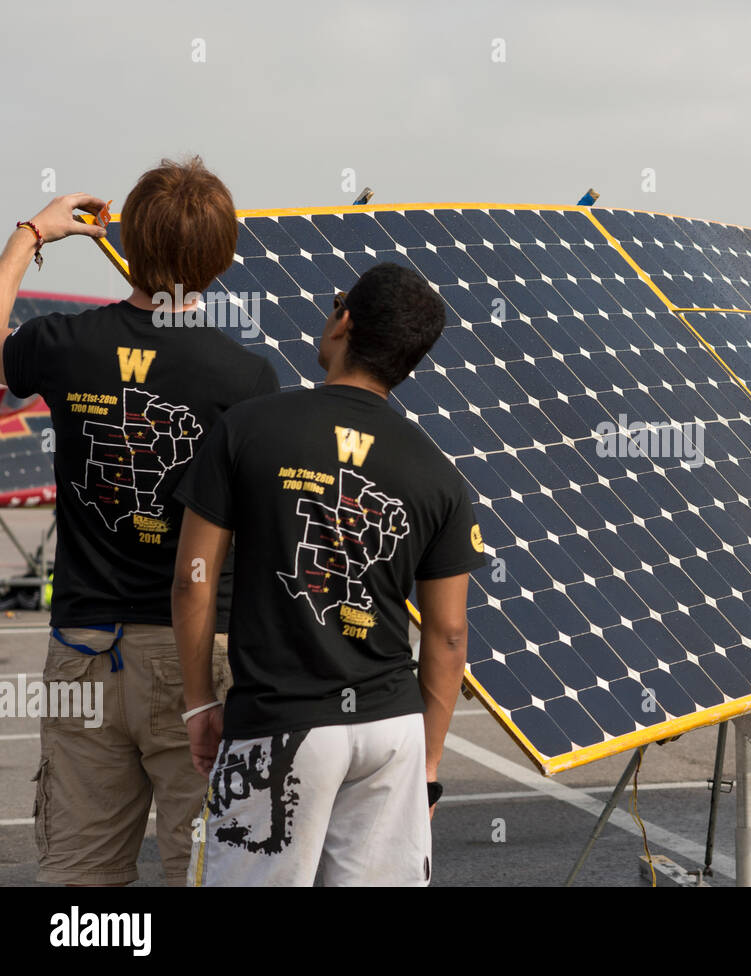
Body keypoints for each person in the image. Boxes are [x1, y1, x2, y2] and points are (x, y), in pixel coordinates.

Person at [0, 160, 278, 886]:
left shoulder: (65, 343)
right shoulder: (245, 379)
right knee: (208, 867)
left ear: (127, 243)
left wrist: (30, 235)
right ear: (221, 259)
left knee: (81, 879)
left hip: (83, 650)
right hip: (197, 656)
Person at [172, 262, 485, 886]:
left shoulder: (249, 427)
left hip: (279, 725)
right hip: (390, 730)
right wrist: (426, 763)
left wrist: (199, 702)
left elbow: (192, 578)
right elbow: (449, 636)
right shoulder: (441, 474)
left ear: (344, 320)